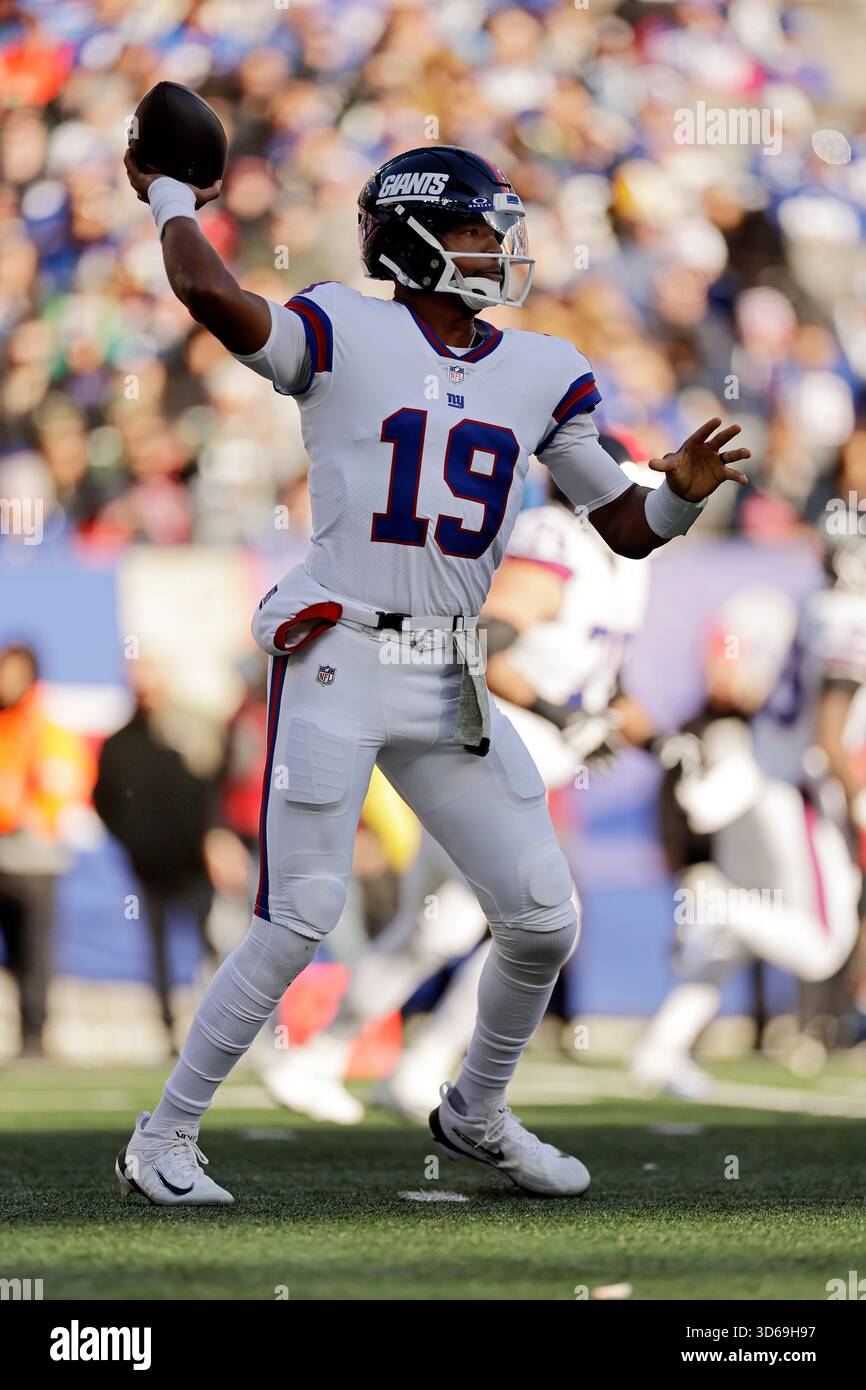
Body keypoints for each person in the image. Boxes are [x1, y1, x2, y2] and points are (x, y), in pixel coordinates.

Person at [117, 143, 749, 1204]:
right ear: (412, 240)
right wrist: (172, 192)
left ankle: (475, 1108)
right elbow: (205, 288)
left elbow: (626, 528)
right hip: (343, 648)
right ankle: (163, 1136)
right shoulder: (340, 325)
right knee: (301, 911)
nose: (495, 247)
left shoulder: (542, 369)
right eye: (471, 229)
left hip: (451, 667)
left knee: (541, 915)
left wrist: (678, 494)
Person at [264, 435, 652, 1125]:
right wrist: (560, 712)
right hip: (488, 748)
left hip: (505, 755)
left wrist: (659, 739)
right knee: (546, 923)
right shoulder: (557, 537)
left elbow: (606, 682)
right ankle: (437, 1077)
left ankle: (323, 1060)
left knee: (434, 933)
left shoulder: (614, 567)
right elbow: (485, 640)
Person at [632, 585, 862, 1098]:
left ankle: (660, 1047)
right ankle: (712, 899)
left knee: (735, 940)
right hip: (791, 787)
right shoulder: (842, 613)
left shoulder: (803, 610)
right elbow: (826, 726)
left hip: (757, 780)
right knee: (821, 947)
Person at [93, 661, 220, 1050]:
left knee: (213, 942)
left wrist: (214, 837)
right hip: (148, 866)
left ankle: (223, 1028)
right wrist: (132, 840)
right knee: (159, 949)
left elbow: (213, 788)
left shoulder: (192, 731)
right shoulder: (119, 745)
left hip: (196, 863)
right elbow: (103, 800)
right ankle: (168, 1031)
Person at [0, 643, 94, 1056]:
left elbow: (67, 781)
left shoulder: (46, 727)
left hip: (35, 857)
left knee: (34, 953)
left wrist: (28, 804)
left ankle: (34, 1039)